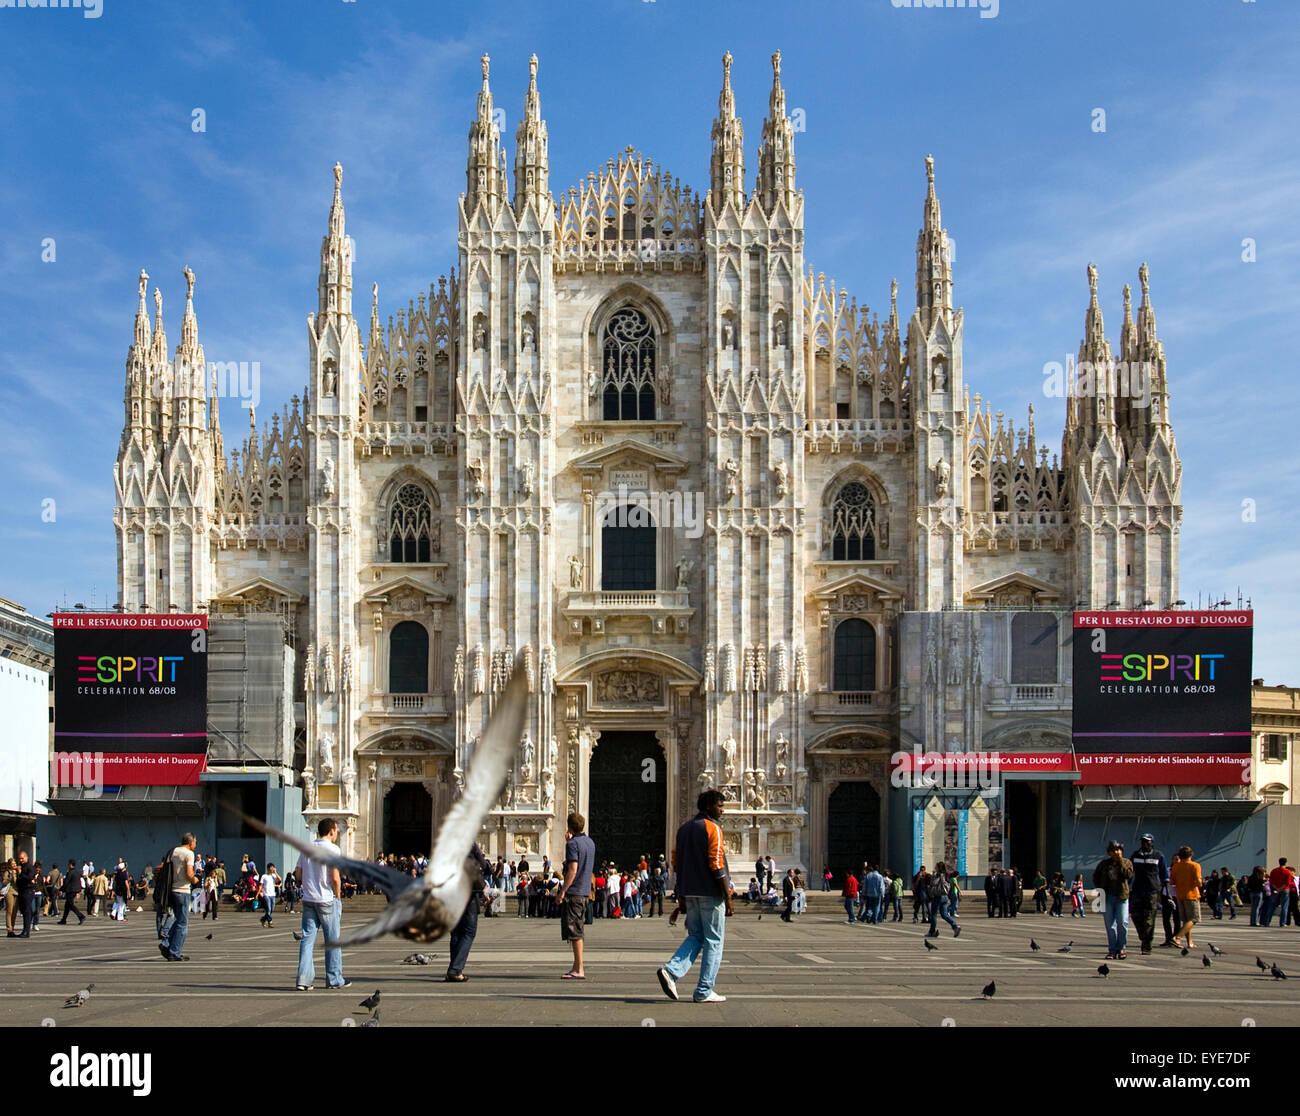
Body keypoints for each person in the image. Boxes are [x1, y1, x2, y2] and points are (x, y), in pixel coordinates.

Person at [656, 789, 733, 1003]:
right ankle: (704, 990)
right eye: (720, 806)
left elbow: (676, 863)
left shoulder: (682, 830)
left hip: (690, 892)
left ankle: (670, 972)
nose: (722, 810)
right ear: (708, 806)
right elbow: (716, 864)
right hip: (710, 892)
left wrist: (681, 896)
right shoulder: (713, 828)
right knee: (714, 940)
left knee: (696, 936)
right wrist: (727, 895)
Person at [296, 817, 349, 990]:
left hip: (309, 900)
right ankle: (334, 979)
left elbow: (298, 875)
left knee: (307, 940)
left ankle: (303, 981)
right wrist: (338, 896)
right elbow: (335, 877)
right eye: (336, 831)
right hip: (327, 900)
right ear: (332, 831)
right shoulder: (333, 850)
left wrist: (309, 883)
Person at [445, 844, 492, 982]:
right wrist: (484, 887)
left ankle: (454, 969)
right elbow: (477, 870)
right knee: (468, 933)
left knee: (456, 934)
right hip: (467, 899)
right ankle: (454, 970)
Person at [557, 812, 595, 979]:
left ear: (570, 827)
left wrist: (563, 890)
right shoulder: (590, 842)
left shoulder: (572, 844)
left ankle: (579, 969)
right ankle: (575, 966)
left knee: (575, 931)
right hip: (585, 891)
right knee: (577, 929)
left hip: (575, 892)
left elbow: (572, 870)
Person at [1094, 840, 1135, 959]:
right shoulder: (1104, 864)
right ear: (1109, 852)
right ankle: (1112, 950)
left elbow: (1129, 876)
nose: (1116, 852)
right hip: (1107, 896)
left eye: (1118, 850)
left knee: (1122, 923)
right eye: (1114, 850)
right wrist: (1100, 889)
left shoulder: (1127, 862)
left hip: (1122, 896)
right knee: (1110, 925)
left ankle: (1122, 948)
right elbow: (1096, 876)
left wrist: (1120, 861)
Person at [160, 834, 197, 961]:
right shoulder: (189, 854)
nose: (195, 844)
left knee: (178, 919)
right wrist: (195, 879)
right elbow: (189, 873)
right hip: (183, 890)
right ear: (191, 842)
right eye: (195, 842)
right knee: (183, 923)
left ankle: (166, 943)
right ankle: (174, 952)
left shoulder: (173, 851)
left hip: (172, 890)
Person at [1129, 834, 1167, 955]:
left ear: (1152, 842)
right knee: (1135, 915)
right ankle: (1143, 935)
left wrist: (1164, 893)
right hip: (1137, 890)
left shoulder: (1158, 856)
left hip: (1152, 891)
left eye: (1147, 841)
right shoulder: (1135, 855)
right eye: (1143, 841)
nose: (1144, 843)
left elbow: (1164, 875)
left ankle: (1147, 945)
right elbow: (1129, 871)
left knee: (1149, 919)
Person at [1169, 845, 1203, 950]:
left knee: (1186, 920)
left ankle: (1190, 942)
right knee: (1194, 919)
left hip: (1180, 895)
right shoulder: (1195, 866)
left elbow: (1172, 881)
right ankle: (1177, 937)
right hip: (1192, 895)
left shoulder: (1176, 866)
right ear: (1191, 854)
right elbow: (1198, 882)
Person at [926, 862, 961, 938]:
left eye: (936, 867)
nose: (935, 868)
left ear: (939, 868)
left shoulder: (938, 875)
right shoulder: (946, 875)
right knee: (944, 914)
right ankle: (955, 926)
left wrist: (931, 880)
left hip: (938, 896)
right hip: (945, 896)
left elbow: (934, 884)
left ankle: (932, 932)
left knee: (933, 915)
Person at [1267, 858, 1295, 927]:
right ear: (1286, 863)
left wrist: (1277, 888)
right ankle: (1282, 923)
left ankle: (1267, 921)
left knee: (1272, 906)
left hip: (1275, 889)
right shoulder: (1287, 872)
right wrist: (1280, 889)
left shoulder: (1274, 871)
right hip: (1285, 890)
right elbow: (1287, 883)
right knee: (1284, 907)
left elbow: (1271, 881)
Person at [58, 860, 85, 925]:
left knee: (70, 905)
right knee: (67, 905)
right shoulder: (77, 872)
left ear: (70, 865)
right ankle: (64, 920)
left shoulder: (70, 872)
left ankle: (81, 916)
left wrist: (61, 889)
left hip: (70, 890)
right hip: (75, 890)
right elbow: (78, 881)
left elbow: (67, 881)